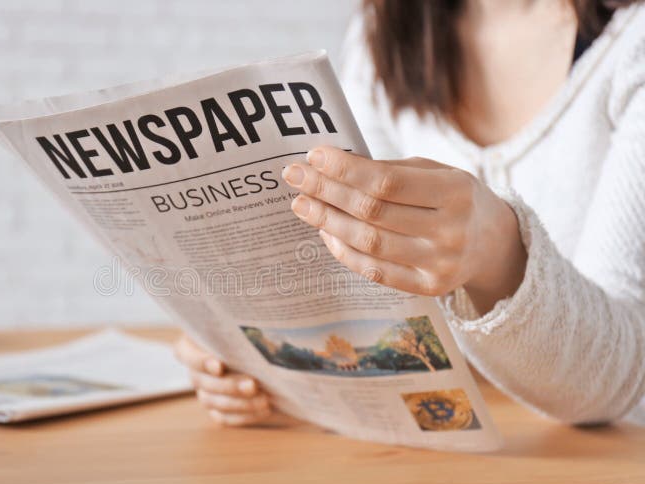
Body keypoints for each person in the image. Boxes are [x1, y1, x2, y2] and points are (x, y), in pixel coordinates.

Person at [174, 0, 645, 427]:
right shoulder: (383, 32)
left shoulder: (632, 45)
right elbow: (369, 296)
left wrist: (498, 252)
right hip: (453, 455)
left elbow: (619, 385)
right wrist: (253, 349)